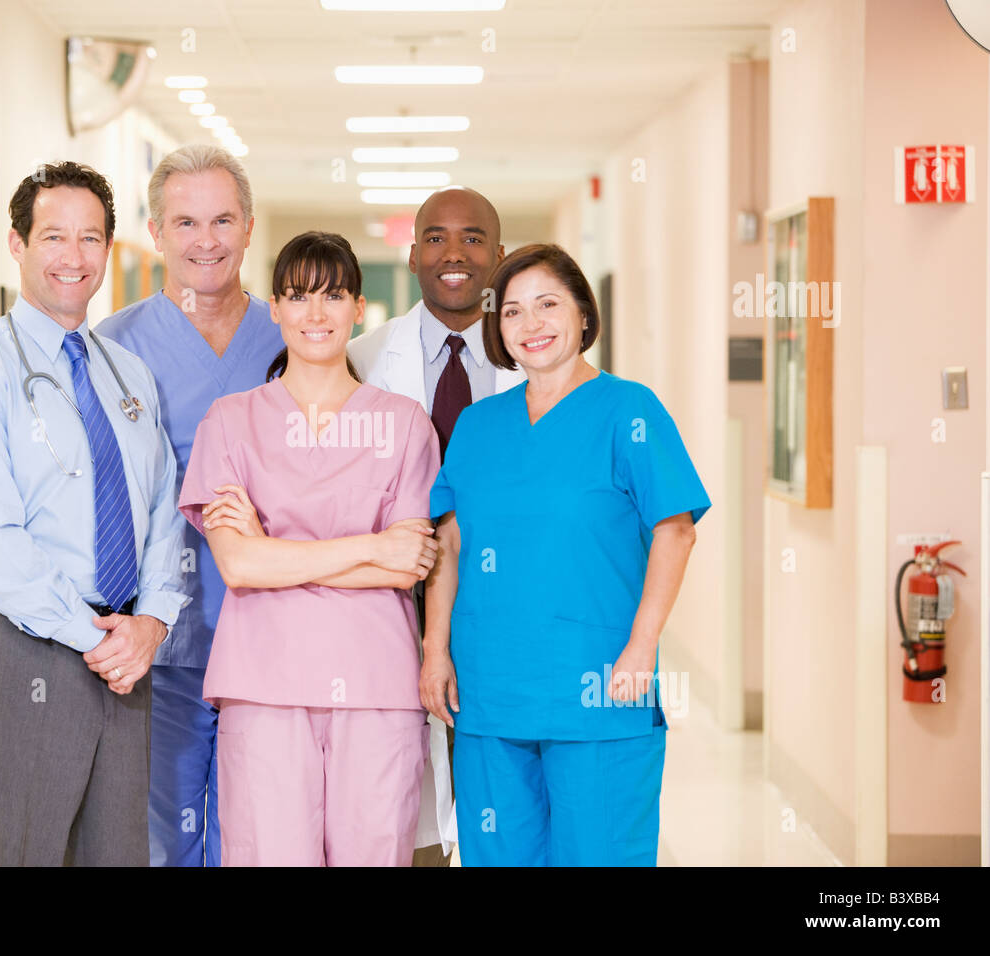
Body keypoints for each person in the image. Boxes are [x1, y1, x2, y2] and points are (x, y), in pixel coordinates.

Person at [0, 161, 188, 866]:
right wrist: (90, 635)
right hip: (23, 648)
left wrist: (152, 622)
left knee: (116, 855)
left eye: (90, 238)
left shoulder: (127, 375)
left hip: (123, 658)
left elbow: (163, 509)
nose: (74, 256)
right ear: (17, 244)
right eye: (53, 237)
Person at [420, 243, 709, 866]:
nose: (531, 324)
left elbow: (676, 531)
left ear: (583, 313)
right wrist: (434, 650)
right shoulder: (478, 425)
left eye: (548, 304)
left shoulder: (629, 410)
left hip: (600, 684)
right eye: (512, 312)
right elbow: (449, 540)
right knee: (499, 855)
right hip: (490, 687)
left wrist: (642, 647)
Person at [178, 231, 441, 866]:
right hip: (264, 690)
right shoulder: (230, 421)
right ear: (274, 308)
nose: (315, 313)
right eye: (298, 296)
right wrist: (372, 547)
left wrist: (274, 550)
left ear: (358, 307)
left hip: (376, 687)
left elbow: (408, 565)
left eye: (333, 295)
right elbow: (238, 564)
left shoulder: (405, 423)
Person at [96, 145, 282, 867]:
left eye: (223, 220)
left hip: (270, 632)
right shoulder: (114, 347)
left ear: (249, 227)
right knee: (164, 837)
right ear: (155, 232)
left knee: (255, 835)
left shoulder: (293, 337)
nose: (207, 240)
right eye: (186, 222)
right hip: (160, 639)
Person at [348, 186, 524, 866]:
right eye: (437, 238)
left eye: (473, 238)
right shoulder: (362, 360)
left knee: (498, 793)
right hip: (389, 602)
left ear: (499, 255)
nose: (455, 253)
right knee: (402, 804)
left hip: (500, 603)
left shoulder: (535, 360)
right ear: (413, 255)